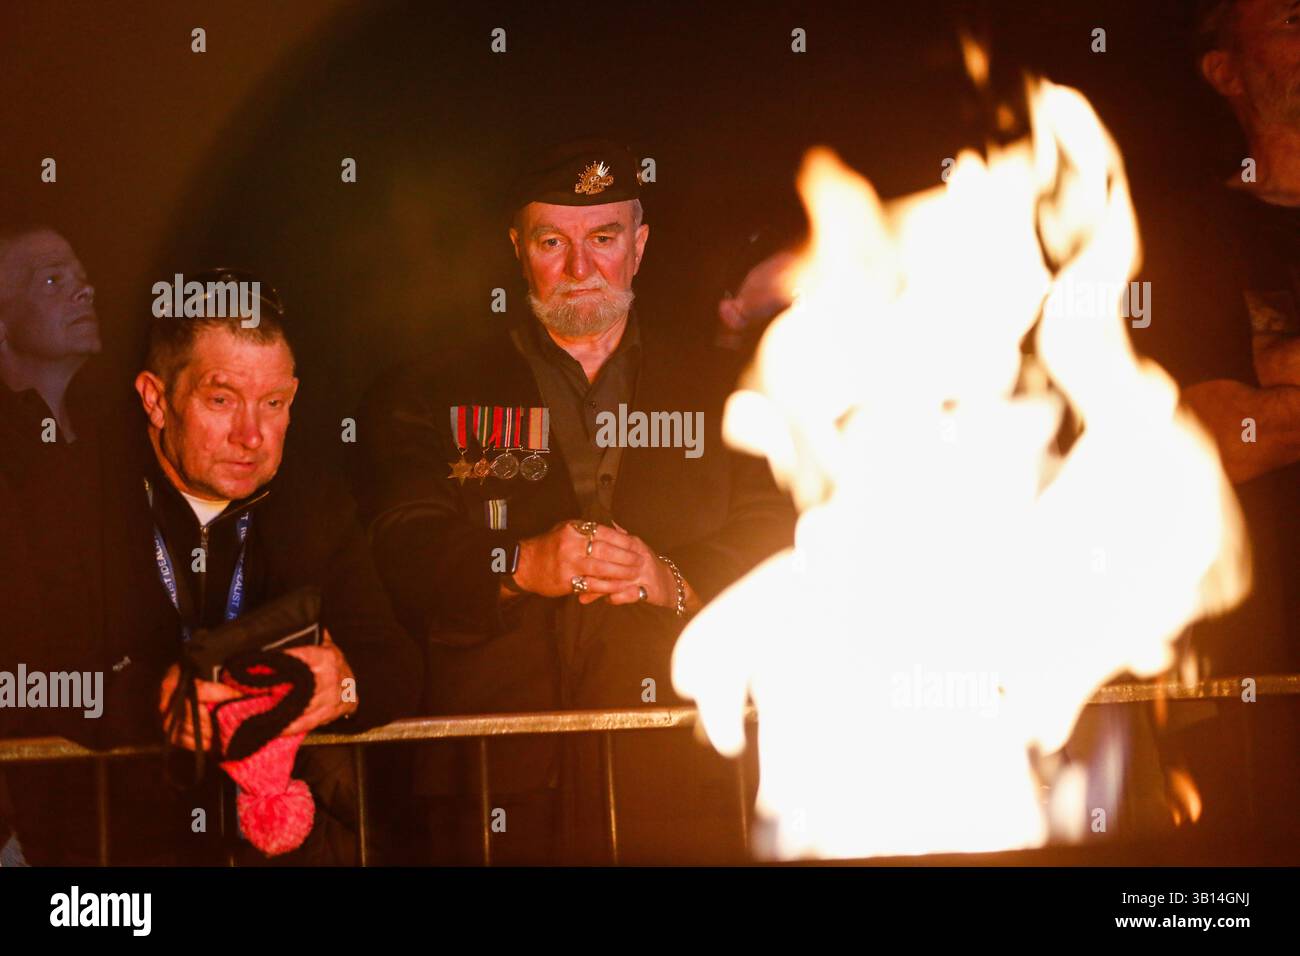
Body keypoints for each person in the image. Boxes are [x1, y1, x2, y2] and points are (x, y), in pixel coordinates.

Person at [354, 139, 795, 863]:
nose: (581, 268)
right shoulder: (426, 390)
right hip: (488, 776)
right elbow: (401, 542)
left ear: (639, 245)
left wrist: (667, 576)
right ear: (518, 248)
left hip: (679, 771)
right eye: (553, 241)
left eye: (604, 239)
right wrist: (521, 561)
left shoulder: (731, 389)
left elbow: (774, 533)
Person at [2, 268, 422, 865]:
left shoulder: (314, 502)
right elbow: (23, 680)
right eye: (221, 399)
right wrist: (154, 699)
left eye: (273, 404)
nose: (252, 435)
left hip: (267, 848)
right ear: (155, 398)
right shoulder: (62, 498)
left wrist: (344, 686)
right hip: (104, 859)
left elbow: (398, 662)